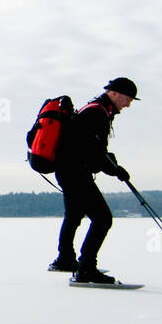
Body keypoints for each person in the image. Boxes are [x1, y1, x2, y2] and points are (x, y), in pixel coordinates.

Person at [48, 78, 139, 284]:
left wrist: (112, 165)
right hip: (74, 172)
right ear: (114, 93)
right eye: (127, 98)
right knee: (103, 219)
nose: (128, 104)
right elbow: (93, 152)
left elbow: (91, 148)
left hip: (68, 171)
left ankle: (65, 259)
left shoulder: (94, 109)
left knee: (75, 214)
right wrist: (115, 170)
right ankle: (87, 268)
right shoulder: (97, 113)